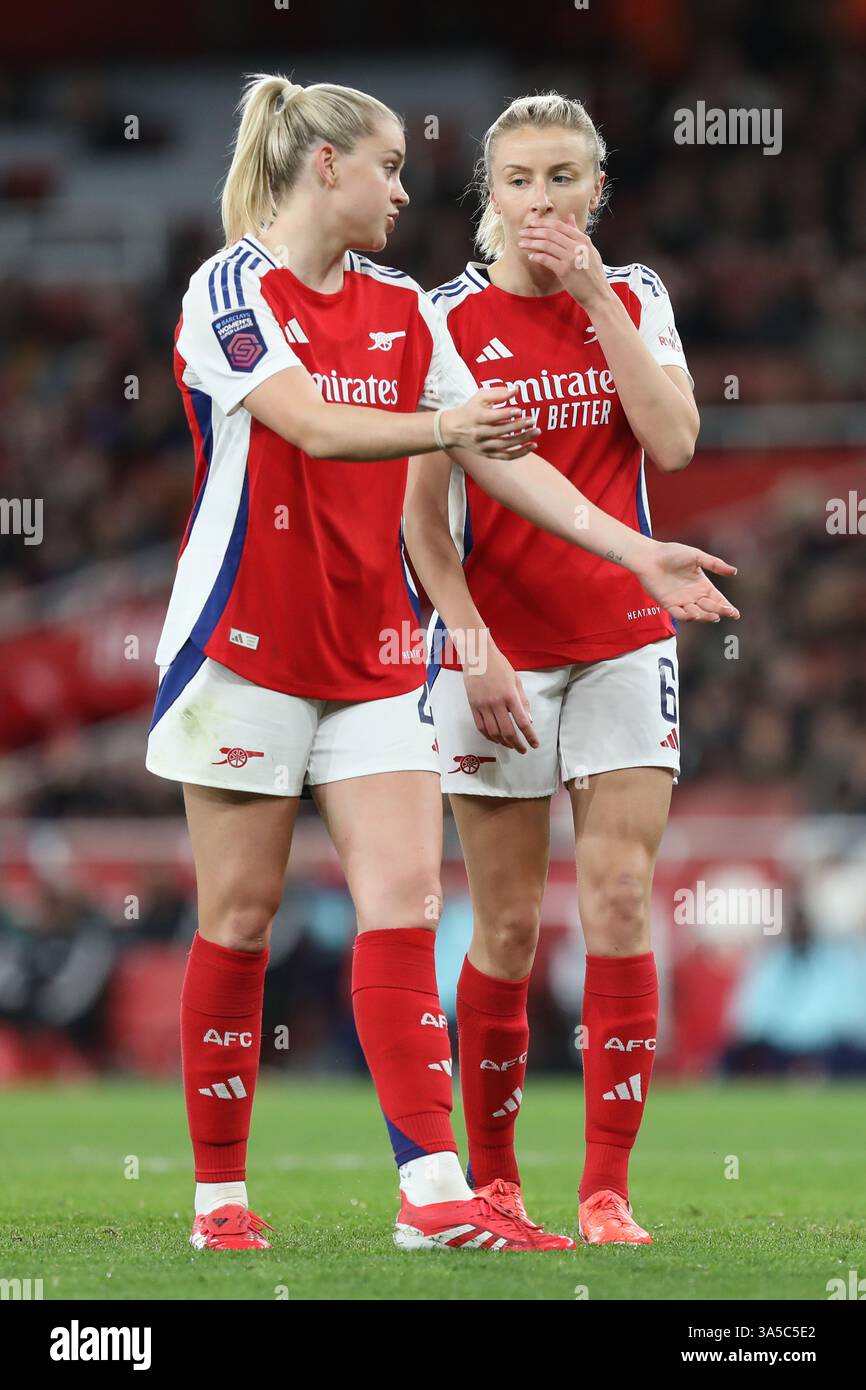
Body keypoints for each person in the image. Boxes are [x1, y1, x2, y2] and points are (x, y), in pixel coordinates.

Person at [146, 73, 738, 1253]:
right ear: (326, 168)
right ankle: (218, 1197)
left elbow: (510, 461)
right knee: (243, 912)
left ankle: (435, 1197)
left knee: (407, 912)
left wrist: (638, 552)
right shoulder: (229, 287)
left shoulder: (400, 307)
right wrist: (442, 435)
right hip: (245, 645)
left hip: (371, 658)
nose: (404, 189)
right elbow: (309, 421)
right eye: (388, 167)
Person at [404, 92, 731, 1245]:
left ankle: (604, 1189)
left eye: (560, 178)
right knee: (500, 927)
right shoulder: (440, 317)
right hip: (494, 650)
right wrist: (470, 645)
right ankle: (493, 1183)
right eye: (516, 181)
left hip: (622, 640)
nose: (537, 200)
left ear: (596, 190)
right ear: (484, 197)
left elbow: (676, 441)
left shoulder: (633, 295)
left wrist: (592, 294)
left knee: (618, 899)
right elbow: (424, 525)